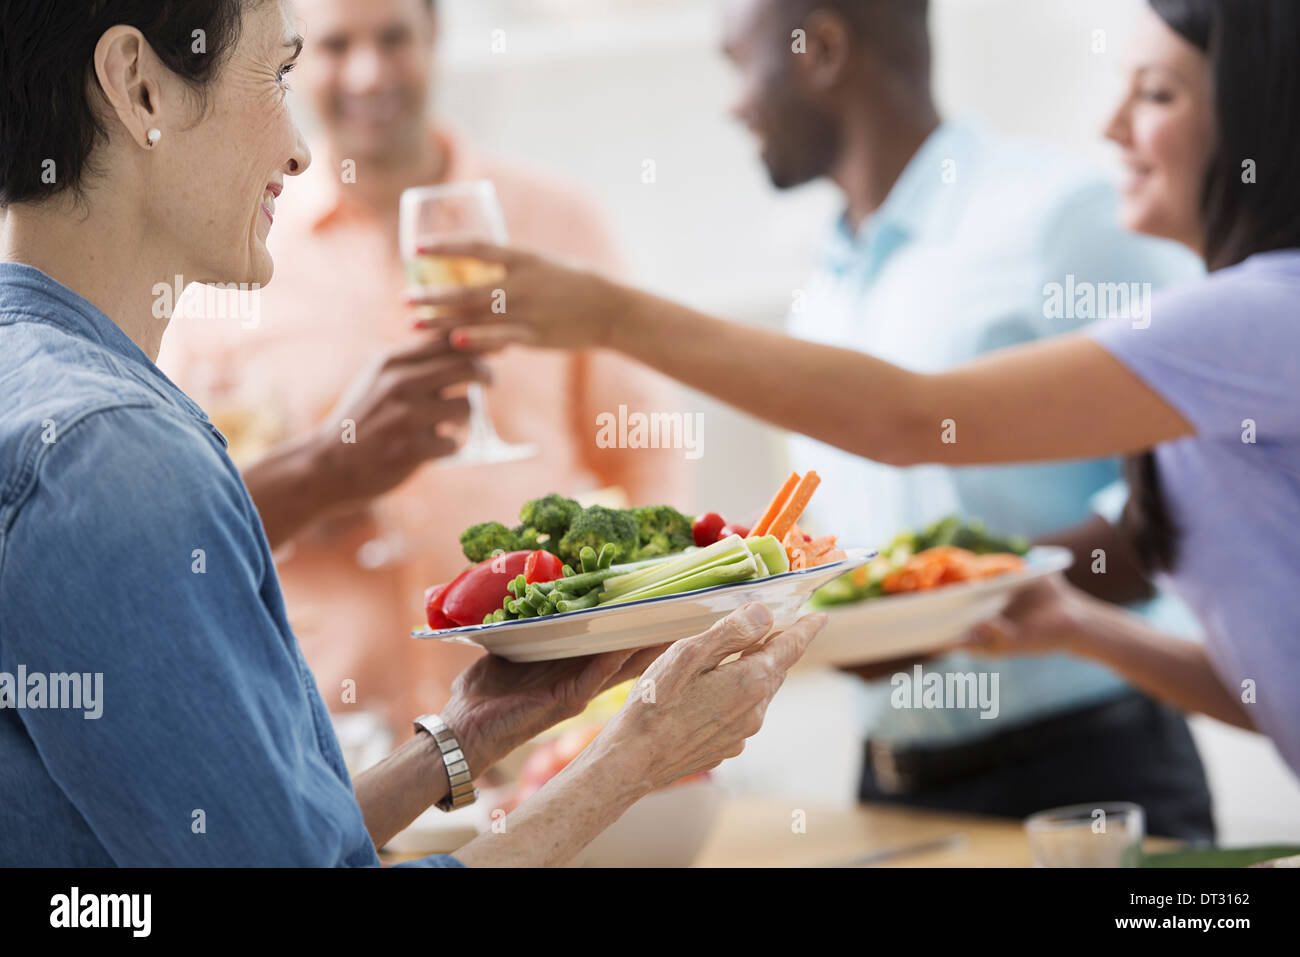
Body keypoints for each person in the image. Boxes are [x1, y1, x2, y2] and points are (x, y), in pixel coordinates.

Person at [0, 0, 825, 866]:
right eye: (277, 74)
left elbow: (274, 847)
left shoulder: (52, 392)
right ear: (139, 88)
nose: (300, 146)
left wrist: (462, 737)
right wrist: (635, 756)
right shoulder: (113, 451)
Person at [416, 0, 1300, 778]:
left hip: (1081, 752)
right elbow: (1268, 689)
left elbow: (912, 419)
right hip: (899, 754)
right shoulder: (831, 274)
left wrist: (611, 314)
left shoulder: (1249, 311)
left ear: (1251, 116)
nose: (1111, 125)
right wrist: (1067, 620)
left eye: (1156, 93)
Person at [707, 0, 1212, 836]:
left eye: (738, 63)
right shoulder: (826, 278)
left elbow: (1189, 486)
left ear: (823, 49)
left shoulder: (1062, 219)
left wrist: (954, 601)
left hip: (1084, 766)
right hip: (890, 780)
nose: (732, 103)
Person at [156, 0, 688, 745]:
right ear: (292, 62)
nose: (369, 72)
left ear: (436, 37)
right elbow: (185, 521)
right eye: (337, 45)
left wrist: (649, 663)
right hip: (329, 740)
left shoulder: (558, 222)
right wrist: (318, 481)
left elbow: (648, 457)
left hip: (545, 725)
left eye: (394, 37)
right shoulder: (226, 261)